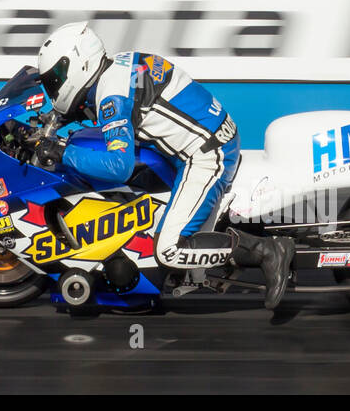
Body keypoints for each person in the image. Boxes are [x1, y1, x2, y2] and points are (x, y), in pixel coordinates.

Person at [32, 21, 296, 309]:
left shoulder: (111, 97)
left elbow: (118, 165)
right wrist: (53, 122)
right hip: (208, 137)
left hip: (207, 153)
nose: (54, 86)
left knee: (168, 250)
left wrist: (62, 154)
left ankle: (267, 251)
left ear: (78, 64)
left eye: (56, 77)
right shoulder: (118, 67)